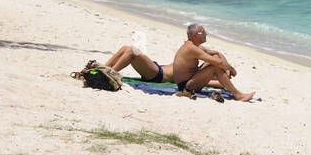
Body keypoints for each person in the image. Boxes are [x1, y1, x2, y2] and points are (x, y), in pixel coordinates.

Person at [103, 25, 254, 101]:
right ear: (195, 35)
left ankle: (105, 71)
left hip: (165, 73)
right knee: (130, 50)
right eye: (203, 32)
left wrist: (227, 68)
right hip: (161, 75)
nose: (206, 34)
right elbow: (216, 61)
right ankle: (108, 74)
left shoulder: (194, 47)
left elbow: (215, 55)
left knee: (129, 49)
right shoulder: (192, 49)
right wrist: (230, 69)